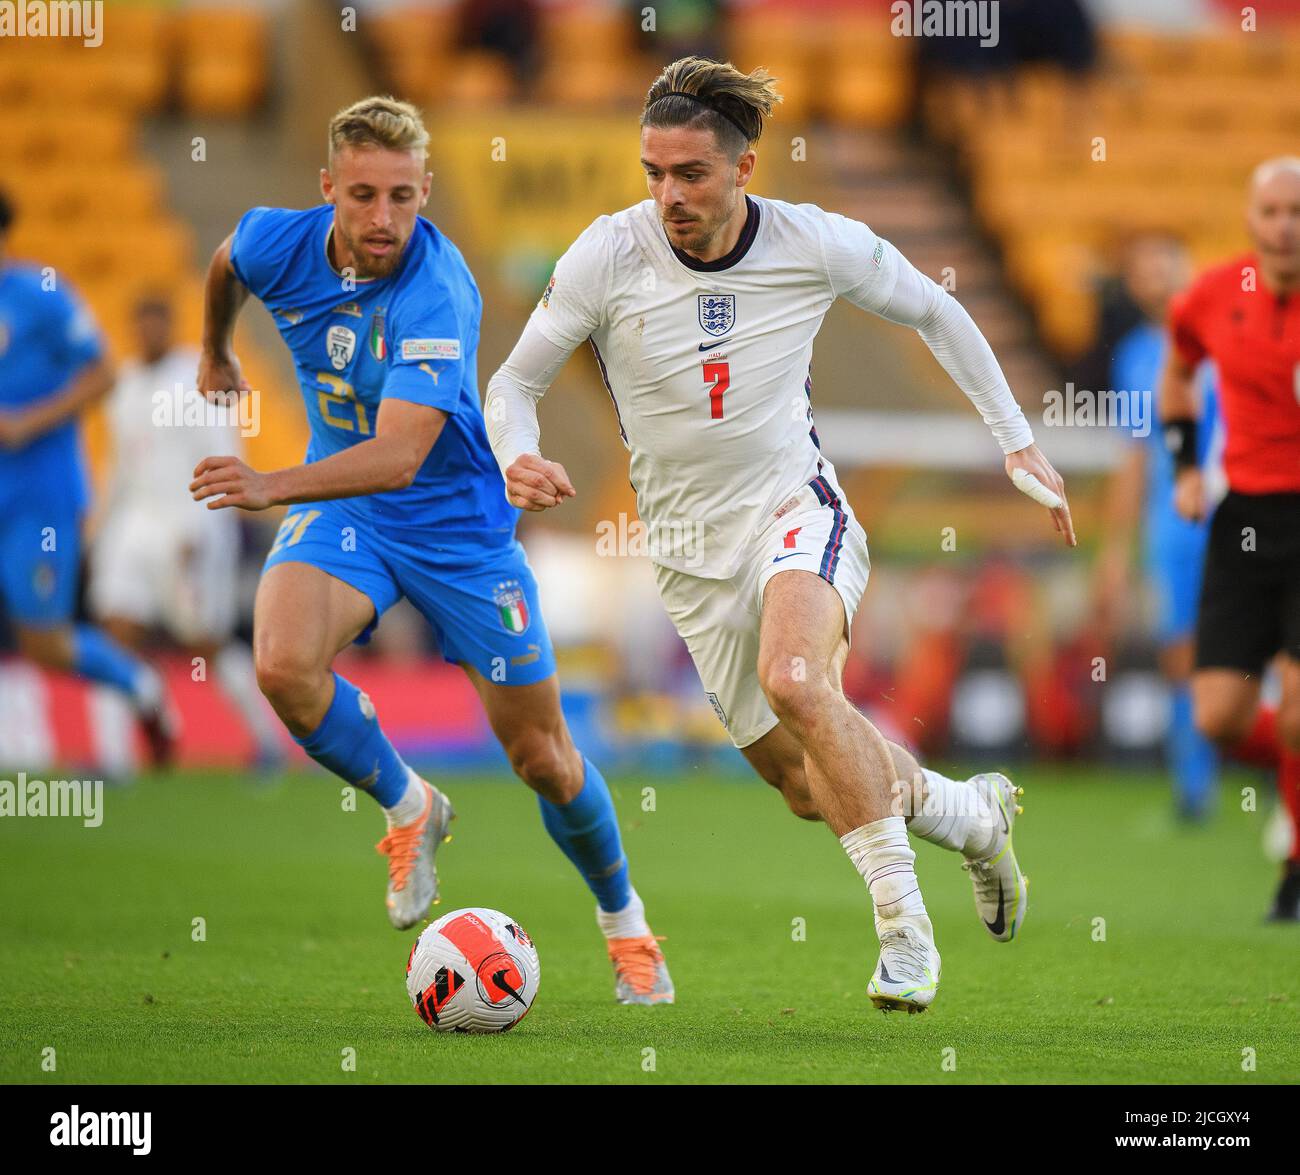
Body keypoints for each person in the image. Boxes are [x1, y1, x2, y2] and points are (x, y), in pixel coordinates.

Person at [486, 57, 1076, 1013]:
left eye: (691, 174)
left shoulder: (815, 242)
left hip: (793, 508)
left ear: (744, 168)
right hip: (683, 544)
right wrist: (517, 450)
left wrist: (1016, 441)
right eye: (653, 172)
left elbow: (937, 307)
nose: (668, 194)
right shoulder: (607, 253)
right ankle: (971, 814)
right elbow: (512, 384)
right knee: (808, 784)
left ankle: (905, 932)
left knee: (798, 678)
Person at [189, 96, 673, 1003]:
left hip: (454, 524)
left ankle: (626, 921)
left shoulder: (438, 290)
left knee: (544, 757)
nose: (383, 220)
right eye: (364, 195)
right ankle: (411, 803)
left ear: (426, 191)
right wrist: (216, 350)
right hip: (350, 510)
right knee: (283, 667)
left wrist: (267, 485)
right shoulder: (275, 241)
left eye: (403, 197)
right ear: (327, 187)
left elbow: (404, 453)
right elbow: (225, 262)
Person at [1160, 156, 1300, 921]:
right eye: (1272, 211)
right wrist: (1186, 467)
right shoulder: (1214, 295)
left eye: (1298, 212)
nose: (1285, 226)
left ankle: (1294, 869)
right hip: (1243, 516)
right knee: (1217, 716)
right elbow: (1178, 377)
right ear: (1251, 220)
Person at [0, 189, 176, 764]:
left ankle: (142, 688)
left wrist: (29, 421)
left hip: (39, 497)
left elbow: (102, 374)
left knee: (44, 640)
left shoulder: (40, 294)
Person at [90, 295, 284, 770]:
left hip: (186, 525)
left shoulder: (197, 382)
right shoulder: (125, 385)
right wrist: (100, 527)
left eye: (155, 322)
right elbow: (121, 465)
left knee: (206, 642)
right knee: (115, 633)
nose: (147, 332)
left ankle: (267, 744)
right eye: (141, 322)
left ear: (169, 324)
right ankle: (114, 761)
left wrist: (206, 528)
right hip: (133, 527)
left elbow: (224, 455)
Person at [1094, 235, 1221, 821]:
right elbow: (1135, 456)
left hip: (1238, 513)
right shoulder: (1135, 355)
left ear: (1186, 270)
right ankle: (1195, 786)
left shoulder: (1227, 339)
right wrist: (1115, 551)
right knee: (1180, 652)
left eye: (1161, 267)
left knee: (1263, 644)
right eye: (1140, 272)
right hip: (1171, 525)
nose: (1153, 281)